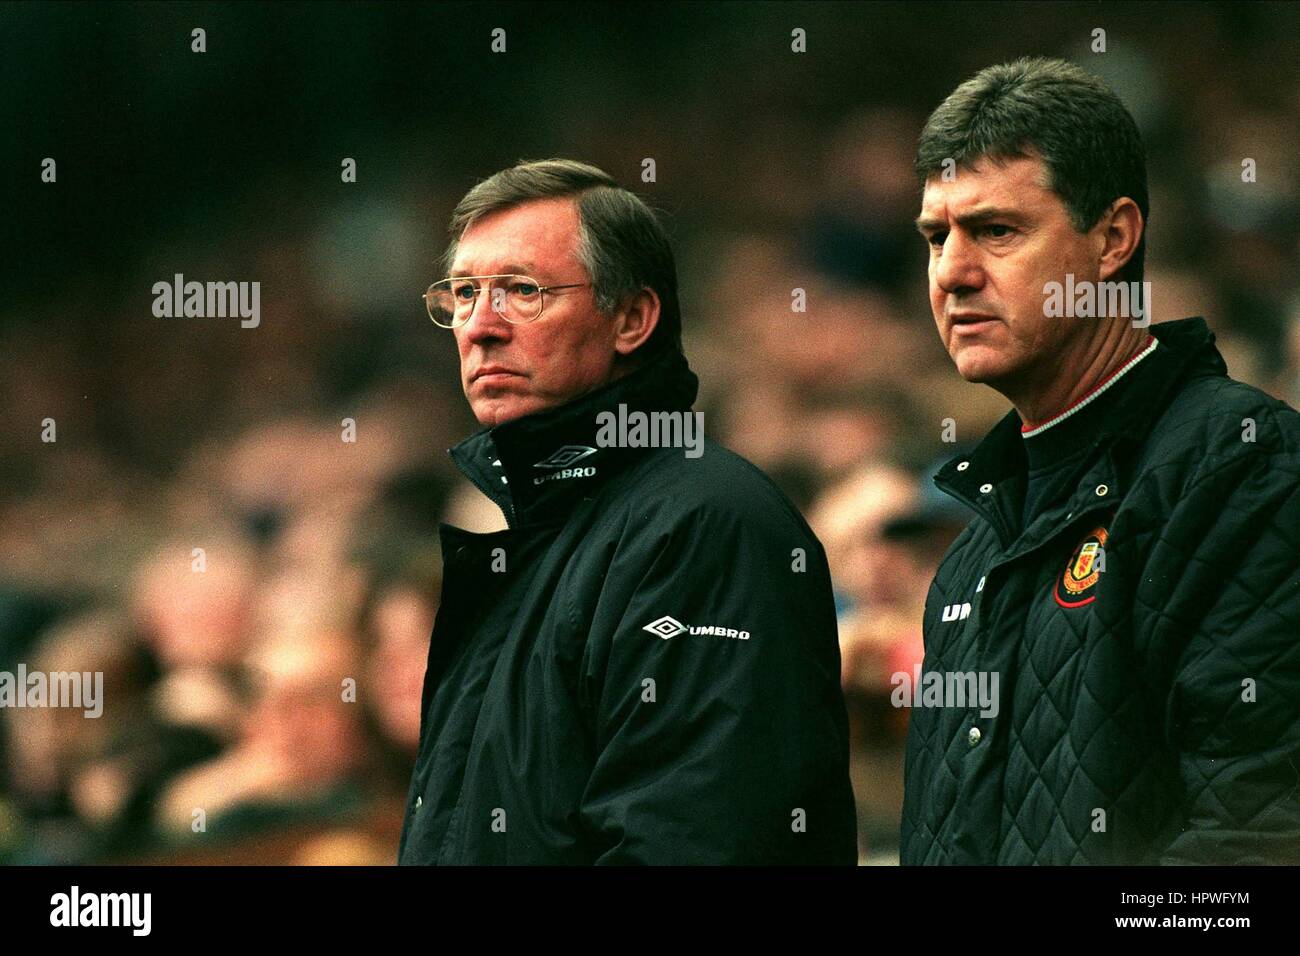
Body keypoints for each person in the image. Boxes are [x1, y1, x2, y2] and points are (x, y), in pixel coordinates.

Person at [397, 159, 857, 864]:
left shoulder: (705, 526)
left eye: (521, 291)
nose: (479, 327)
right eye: (463, 294)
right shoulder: (534, 541)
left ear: (634, 319)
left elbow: (693, 845)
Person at [901, 57, 1300, 864]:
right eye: (936, 236)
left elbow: (1254, 844)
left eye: (996, 230)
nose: (951, 272)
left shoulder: (1242, 468)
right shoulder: (974, 543)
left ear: (1113, 238)